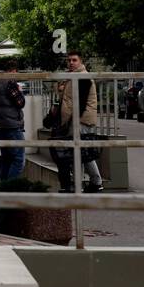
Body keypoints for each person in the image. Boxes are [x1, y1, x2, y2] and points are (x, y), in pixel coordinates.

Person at [50, 51, 103, 193]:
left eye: (74, 60)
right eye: (69, 60)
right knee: (83, 151)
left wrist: (70, 120)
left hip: (81, 120)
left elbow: (80, 102)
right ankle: (95, 182)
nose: (71, 63)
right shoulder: (72, 77)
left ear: (81, 62)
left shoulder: (83, 77)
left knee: (79, 152)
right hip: (77, 119)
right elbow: (68, 99)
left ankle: (83, 184)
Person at [0, 59, 27, 181]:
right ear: (13, 70)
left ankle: (2, 189)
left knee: (6, 159)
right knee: (19, 160)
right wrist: (20, 91)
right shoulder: (10, 82)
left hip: (0, 126)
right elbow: (20, 103)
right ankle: (10, 189)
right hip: (12, 126)